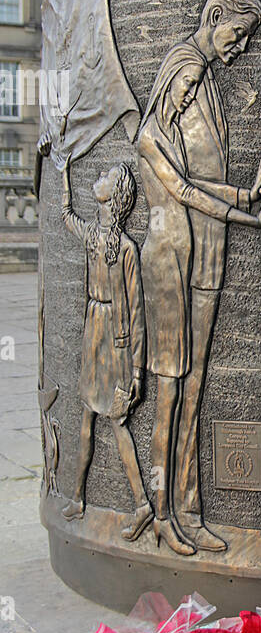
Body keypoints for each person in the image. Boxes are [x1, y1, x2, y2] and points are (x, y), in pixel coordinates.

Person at [136, 41, 261, 556]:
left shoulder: (169, 133)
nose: (190, 95)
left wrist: (245, 194)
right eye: (185, 86)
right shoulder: (151, 136)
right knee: (167, 392)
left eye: (195, 87)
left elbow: (197, 182)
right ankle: (163, 513)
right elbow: (187, 192)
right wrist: (246, 213)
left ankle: (179, 509)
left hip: (184, 257)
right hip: (165, 268)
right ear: (168, 79)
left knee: (181, 388)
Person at [60, 158, 148, 534]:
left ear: (115, 196)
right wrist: (63, 170)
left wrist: (138, 369)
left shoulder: (127, 249)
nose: (99, 178)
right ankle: (77, 496)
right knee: (85, 420)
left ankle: (142, 504)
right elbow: (65, 213)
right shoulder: (92, 236)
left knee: (117, 423)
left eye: (107, 177)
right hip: (92, 334)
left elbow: (139, 311)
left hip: (116, 342)